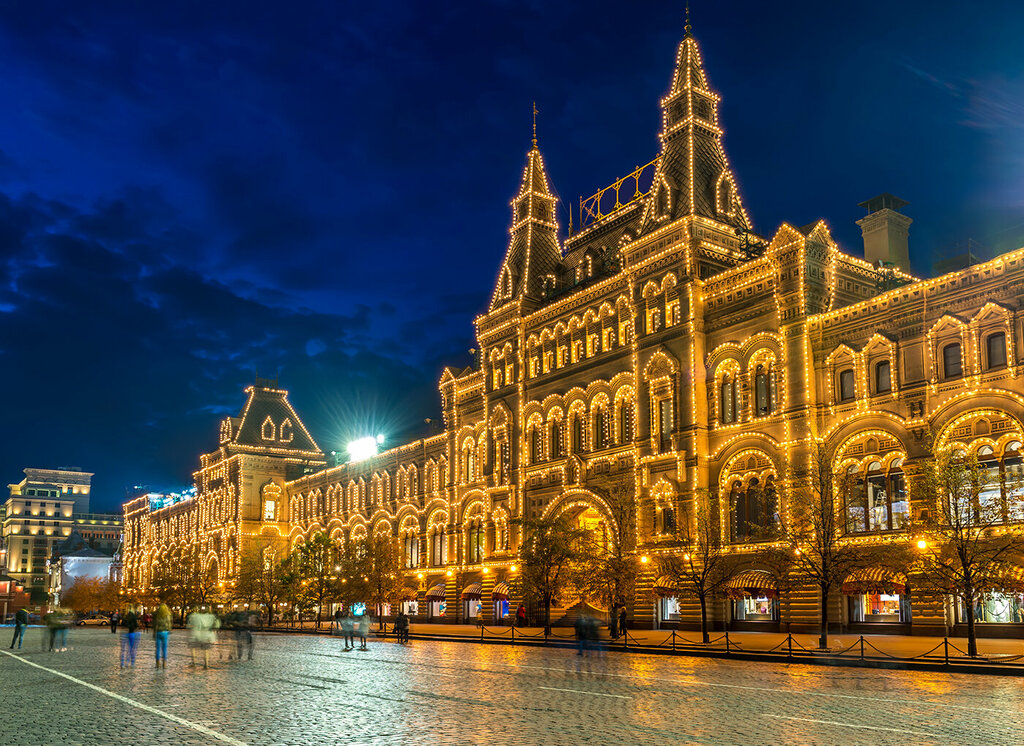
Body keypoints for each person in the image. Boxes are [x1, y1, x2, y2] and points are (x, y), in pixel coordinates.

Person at [153, 603, 172, 668]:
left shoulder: (157, 615)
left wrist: (154, 632)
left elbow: (155, 624)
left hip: (158, 632)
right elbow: (169, 623)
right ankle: (164, 663)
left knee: (157, 649)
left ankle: (157, 663)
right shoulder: (168, 615)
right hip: (165, 632)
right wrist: (169, 630)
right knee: (164, 648)